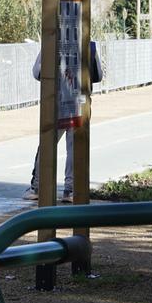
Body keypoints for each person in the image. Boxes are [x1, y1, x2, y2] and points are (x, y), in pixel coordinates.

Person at [27, 39, 104, 199]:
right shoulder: (89, 46)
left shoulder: (51, 45)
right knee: (74, 147)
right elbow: (98, 75)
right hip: (79, 103)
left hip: (57, 103)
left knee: (47, 144)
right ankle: (70, 190)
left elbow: (37, 72)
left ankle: (37, 187)